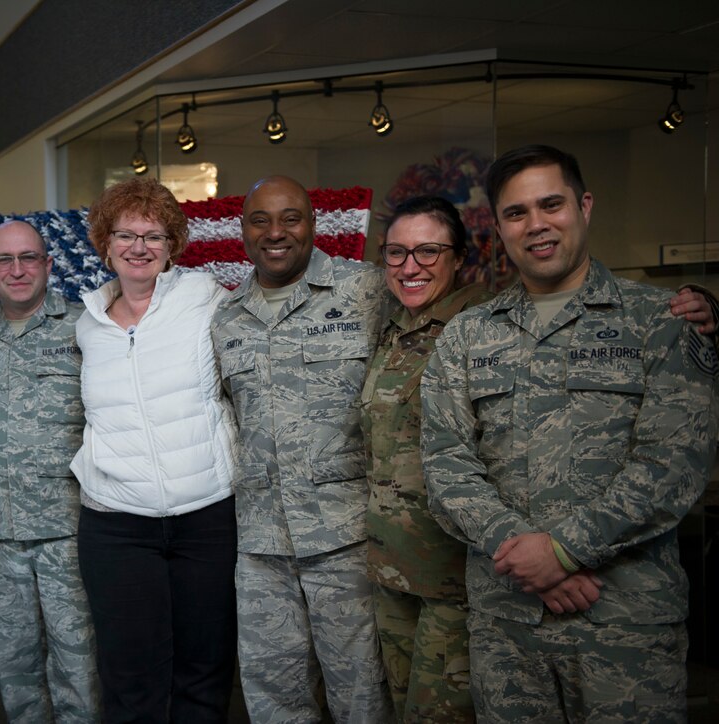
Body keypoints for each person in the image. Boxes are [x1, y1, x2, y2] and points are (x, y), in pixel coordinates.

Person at [421, 144, 718, 722]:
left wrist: (562, 551)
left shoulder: (660, 321)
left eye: (551, 204)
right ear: (498, 227)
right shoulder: (466, 336)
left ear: (584, 206)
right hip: (506, 625)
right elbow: (445, 463)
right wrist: (526, 555)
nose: (536, 225)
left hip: (624, 623)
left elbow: (673, 465)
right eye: (516, 213)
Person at [211, 175, 394, 723]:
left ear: (313, 224)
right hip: (261, 544)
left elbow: (451, 319)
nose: (276, 232)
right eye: (260, 220)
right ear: (242, 230)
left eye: (291, 218)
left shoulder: (368, 292)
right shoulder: (224, 318)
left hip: (347, 541)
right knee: (273, 699)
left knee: (362, 696)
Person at [72, 177, 238, 722]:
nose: (139, 246)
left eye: (154, 235)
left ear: (173, 246)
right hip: (117, 525)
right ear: (105, 242)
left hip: (206, 516)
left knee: (204, 670)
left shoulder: (205, 298)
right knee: (129, 676)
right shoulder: (87, 323)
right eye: (126, 234)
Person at [360, 196, 492, 722]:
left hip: (455, 577)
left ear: (460, 257)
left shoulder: (484, 330)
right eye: (396, 253)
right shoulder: (392, 331)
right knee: (401, 708)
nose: (410, 266)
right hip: (392, 571)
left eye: (427, 251)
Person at [0, 220, 100, 722]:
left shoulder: (86, 328)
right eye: (4, 260)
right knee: (16, 682)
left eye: (28, 258)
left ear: (47, 263)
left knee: (79, 676)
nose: (16, 270)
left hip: (71, 534)